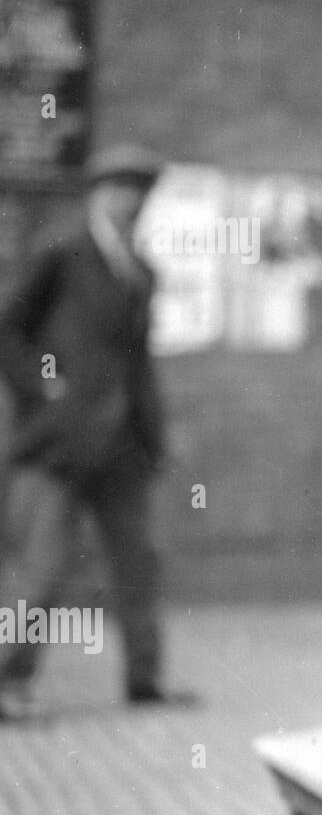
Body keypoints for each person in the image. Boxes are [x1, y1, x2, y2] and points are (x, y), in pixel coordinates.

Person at [0, 144, 187, 719]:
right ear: (96, 194)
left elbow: (138, 362)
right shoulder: (61, 254)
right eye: (118, 188)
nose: (129, 201)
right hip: (57, 446)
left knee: (138, 565)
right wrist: (44, 389)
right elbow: (9, 330)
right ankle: (8, 685)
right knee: (43, 569)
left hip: (124, 447)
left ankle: (144, 682)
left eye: (139, 191)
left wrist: (155, 434)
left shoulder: (142, 271)